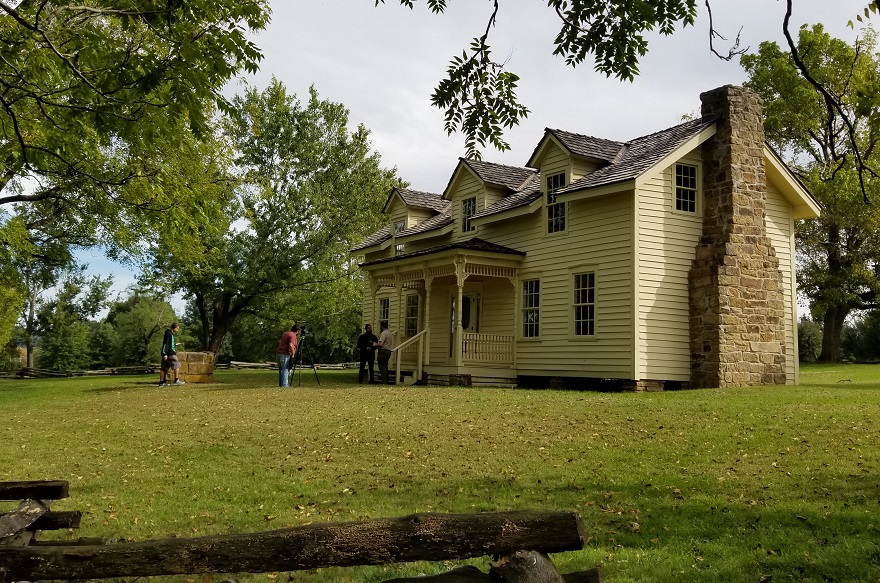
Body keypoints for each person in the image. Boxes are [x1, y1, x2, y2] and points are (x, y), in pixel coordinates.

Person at [374, 320, 393, 384]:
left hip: (383, 351)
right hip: (388, 351)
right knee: (385, 366)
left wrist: (375, 344)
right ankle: (386, 379)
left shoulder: (383, 333)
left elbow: (380, 344)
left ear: (381, 326)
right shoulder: (389, 333)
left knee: (382, 367)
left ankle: (384, 381)